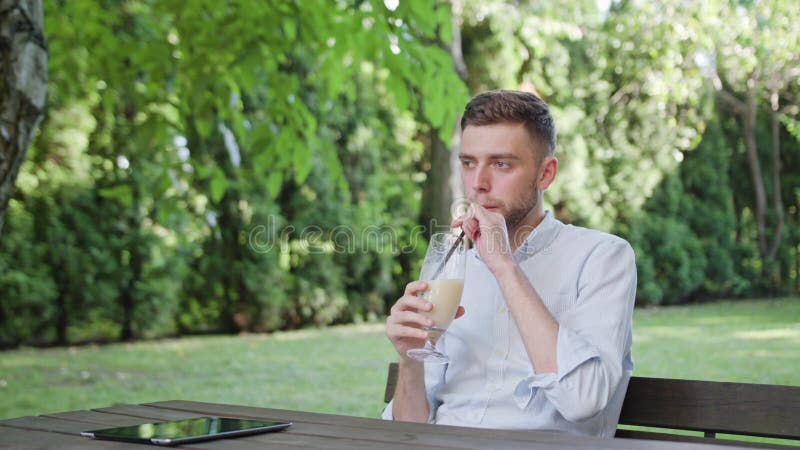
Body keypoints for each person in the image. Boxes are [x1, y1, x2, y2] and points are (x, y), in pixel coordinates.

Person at [383, 90, 637, 437]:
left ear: (545, 174)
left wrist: (504, 266)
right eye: (469, 163)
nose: (478, 184)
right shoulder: (455, 268)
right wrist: (409, 360)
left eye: (501, 164)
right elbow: (409, 431)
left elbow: (583, 400)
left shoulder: (603, 258)